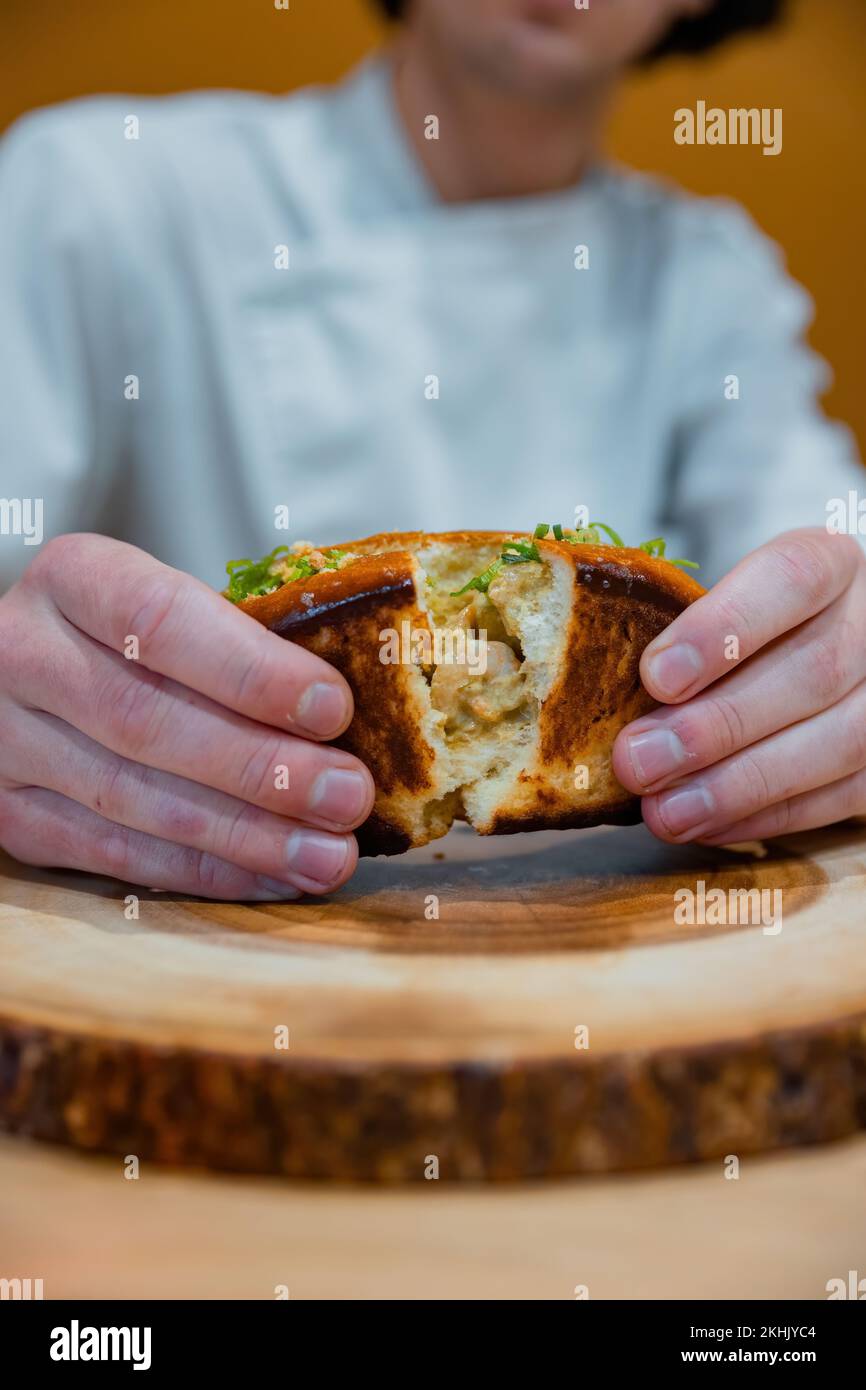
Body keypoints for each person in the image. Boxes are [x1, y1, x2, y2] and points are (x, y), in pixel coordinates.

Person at [0, 0, 863, 899]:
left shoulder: (707, 276)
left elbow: (824, 555)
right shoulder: (98, 192)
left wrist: (841, 672)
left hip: (610, 961)